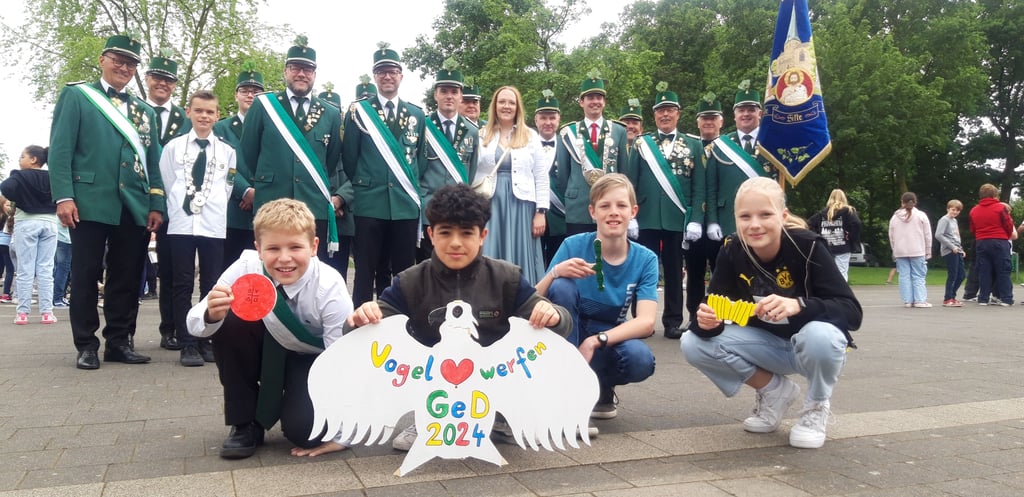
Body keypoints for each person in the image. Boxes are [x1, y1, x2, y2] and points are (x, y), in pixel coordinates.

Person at [345, 183, 571, 451]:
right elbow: (356, 335)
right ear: (430, 234)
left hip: (493, 376)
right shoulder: (409, 282)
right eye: (445, 232)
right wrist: (360, 319)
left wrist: (554, 315)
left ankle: (501, 415)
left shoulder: (506, 278)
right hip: (433, 378)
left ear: (482, 235)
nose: (455, 242)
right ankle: (429, 418)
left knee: (533, 342)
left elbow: (561, 325)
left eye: (466, 233)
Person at [681, 177, 862, 449]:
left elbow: (851, 312)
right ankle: (774, 391)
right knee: (692, 343)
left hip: (812, 346)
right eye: (745, 216)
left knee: (820, 335)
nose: (755, 224)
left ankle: (815, 407)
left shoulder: (808, 245)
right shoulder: (732, 250)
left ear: (783, 216)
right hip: (767, 347)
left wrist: (799, 305)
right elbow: (712, 306)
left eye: (765, 214)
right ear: (735, 220)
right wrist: (706, 321)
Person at [187, 199, 353, 459]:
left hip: (310, 360)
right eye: (273, 248)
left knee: (307, 432)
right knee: (230, 320)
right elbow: (194, 322)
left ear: (313, 247)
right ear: (258, 249)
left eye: (295, 247)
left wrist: (345, 432)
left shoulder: (330, 286)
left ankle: (293, 401)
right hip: (261, 349)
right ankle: (244, 423)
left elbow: (339, 360)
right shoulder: (245, 268)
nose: (284, 258)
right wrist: (211, 313)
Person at [49, 34, 165, 370]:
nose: (124, 68)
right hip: (89, 201)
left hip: (133, 203)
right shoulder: (78, 96)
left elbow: (153, 162)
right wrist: (64, 196)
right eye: (118, 60)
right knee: (85, 274)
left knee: (127, 276)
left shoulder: (145, 111)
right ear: (103, 60)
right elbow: (60, 149)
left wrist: (156, 204)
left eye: (131, 64)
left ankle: (119, 341)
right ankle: (86, 344)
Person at [536, 173, 657, 421]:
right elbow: (533, 298)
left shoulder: (646, 259)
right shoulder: (572, 245)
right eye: (605, 206)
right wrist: (555, 272)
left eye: (621, 205)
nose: (613, 212)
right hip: (571, 330)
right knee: (562, 286)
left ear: (633, 211)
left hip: (606, 335)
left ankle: (601, 385)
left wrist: (595, 341)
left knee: (640, 359)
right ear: (592, 212)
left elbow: (646, 322)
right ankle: (565, 389)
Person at [241, 36, 345, 262]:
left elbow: (331, 159)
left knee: (309, 266)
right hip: (272, 200)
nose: (301, 74)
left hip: (312, 203)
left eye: (308, 69)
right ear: (286, 71)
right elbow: (248, 152)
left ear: (314, 74)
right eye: (296, 68)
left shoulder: (331, 113)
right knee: (270, 263)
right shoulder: (264, 105)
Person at [342, 42, 426, 306]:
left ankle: (401, 320)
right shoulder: (358, 112)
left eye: (392, 71)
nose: (387, 76)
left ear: (401, 76)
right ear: (375, 76)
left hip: (403, 204)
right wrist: (367, 184)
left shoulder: (416, 114)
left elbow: (420, 161)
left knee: (403, 271)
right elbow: (350, 159)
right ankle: (361, 322)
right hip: (370, 202)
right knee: (365, 271)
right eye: (381, 72)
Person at [159, 90, 235, 366]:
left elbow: (227, 187)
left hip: (213, 225)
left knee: (212, 284)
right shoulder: (174, 147)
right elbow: (169, 181)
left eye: (210, 112)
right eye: (199, 110)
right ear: (188, 112)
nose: (204, 116)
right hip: (181, 223)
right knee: (181, 283)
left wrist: (208, 205)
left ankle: (205, 339)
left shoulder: (227, 151)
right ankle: (187, 342)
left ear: (217, 115)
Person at [628, 83, 704, 338]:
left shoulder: (693, 145)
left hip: (677, 218)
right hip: (647, 217)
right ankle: (641, 321)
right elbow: (631, 182)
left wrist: (695, 219)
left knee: (673, 272)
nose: (665, 114)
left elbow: (699, 186)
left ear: (678, 114)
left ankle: (672, 322)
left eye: (670, 110)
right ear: (654, 115)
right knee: (643, 271)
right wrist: (631, 216)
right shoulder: (642, 144)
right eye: (661, 110)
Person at [476, 85, 549, 283]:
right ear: (495, 105)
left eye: (511, 102)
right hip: (491, 205)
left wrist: (541, 212)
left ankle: (522, 295)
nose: (506, 106)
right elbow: (474, 172)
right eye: (502, 102)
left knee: (522, 253)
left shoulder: (530, 136)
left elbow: (541, 175)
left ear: (518, 107)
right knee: (490, 250)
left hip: (522, 206)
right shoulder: (481, 134)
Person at [146, 51, 191, 351]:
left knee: (171, 271)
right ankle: (121, 335)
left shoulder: (184, 119)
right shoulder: (131, 110)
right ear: (147, 79)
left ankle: (170, 328)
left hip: (173, 205)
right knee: (125, 270)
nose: (163, 84)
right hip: (135, 198)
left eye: (169, 80)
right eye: (158, 78)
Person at [555, 70, 630, 235]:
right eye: (590, 98)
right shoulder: (567, 133)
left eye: (599, 97)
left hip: (610, 206)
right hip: (578, 208)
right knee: (578, 249)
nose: (595, 101)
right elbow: (563, 176)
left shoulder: (619, 131)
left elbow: (624, 173)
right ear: (581, 102)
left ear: (604, 102)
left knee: (609, 249)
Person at [418, 62, 479, 262]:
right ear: (435, 94)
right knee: (427, 264)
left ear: (461, 96)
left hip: (458, 211)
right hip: (428, 209)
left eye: (454, 91)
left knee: (456, 263)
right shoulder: (423, 126)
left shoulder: (471, 131)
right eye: (444, 91)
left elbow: (470, 173)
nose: (449, 96)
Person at [1, 145, 59, 325]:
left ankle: (22, 313)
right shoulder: (53, 176)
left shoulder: (19, 176)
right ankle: (47, 312)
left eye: (22, 156)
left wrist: (19, 199)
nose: (20, 160)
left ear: (33, 159)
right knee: (46, 268)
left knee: (25, 268)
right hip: (50, 223)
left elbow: (5, 188)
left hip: (26, 223)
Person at [214, 65, 264, 270]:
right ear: (236, 95)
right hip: (231, 212)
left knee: (259, 274)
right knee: (227, 272)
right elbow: (219, 165)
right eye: (245, 91)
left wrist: (258, 193)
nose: (250, 95)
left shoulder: (271, 127)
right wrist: (244, 191)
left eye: (256, 91)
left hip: (262, 210)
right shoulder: (220, 128)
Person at [534, 90, 566, 267]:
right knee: (534, 264)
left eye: (552, 118)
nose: (548, 122)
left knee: (558, 265)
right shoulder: (526, 143)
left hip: (560, 217)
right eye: (543, 118)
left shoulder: (568, 144)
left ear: (559, 120)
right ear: (536, 120)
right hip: (532, 215)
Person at [969, 184, 1014, 306]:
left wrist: (980, 235)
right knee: (1003, 270)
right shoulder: (1000, 208)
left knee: (984, 271)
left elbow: (973, 228)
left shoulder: (974, 210)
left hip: (981, 241)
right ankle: (1006, 299)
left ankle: (983, 298)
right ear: (994, 195)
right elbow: (1008, 224)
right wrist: (1006, 235)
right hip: (999, 240)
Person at [888, 192, 932, 308]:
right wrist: (928, 250)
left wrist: (894, 250)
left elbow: (891, 236)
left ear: (902, 202)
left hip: (900, 251)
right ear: (915, 202)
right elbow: (927, 235)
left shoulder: (895, 217)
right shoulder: (921, 216)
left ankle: (907, 301)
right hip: (917, 250)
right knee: (919, 275)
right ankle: (920, 300)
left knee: (904, 275)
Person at [807, 189, 862, 281]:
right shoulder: (848, 212)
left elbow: (809, 224)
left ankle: (827, 289)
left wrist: (818, 237)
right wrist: (851, 236)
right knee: (842, 272)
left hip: (825, 247)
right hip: (843, 246)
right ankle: (842, 289)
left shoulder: (822, 213)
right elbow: (857, 223)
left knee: (827, 272)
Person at [935, 199, 966, 307]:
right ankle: (948, 299)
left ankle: (952, 296)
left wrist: (960, 249)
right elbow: (938, 235)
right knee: (953, 274)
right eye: (953, 209)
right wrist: (952, 247)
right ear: (948, 209)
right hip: (949, 250)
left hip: (957, 250)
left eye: (957, 210)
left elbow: (956, 236)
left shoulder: (954, 221)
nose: (955, 212)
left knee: (961, 275)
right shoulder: (944, 220)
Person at [0, 197, 13, 303]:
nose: (9, 207)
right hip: (6, 243)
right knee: (10, 269)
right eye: (7, 205)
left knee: (1, 267)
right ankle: (5, 293)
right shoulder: (7, 217)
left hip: (1, 243)